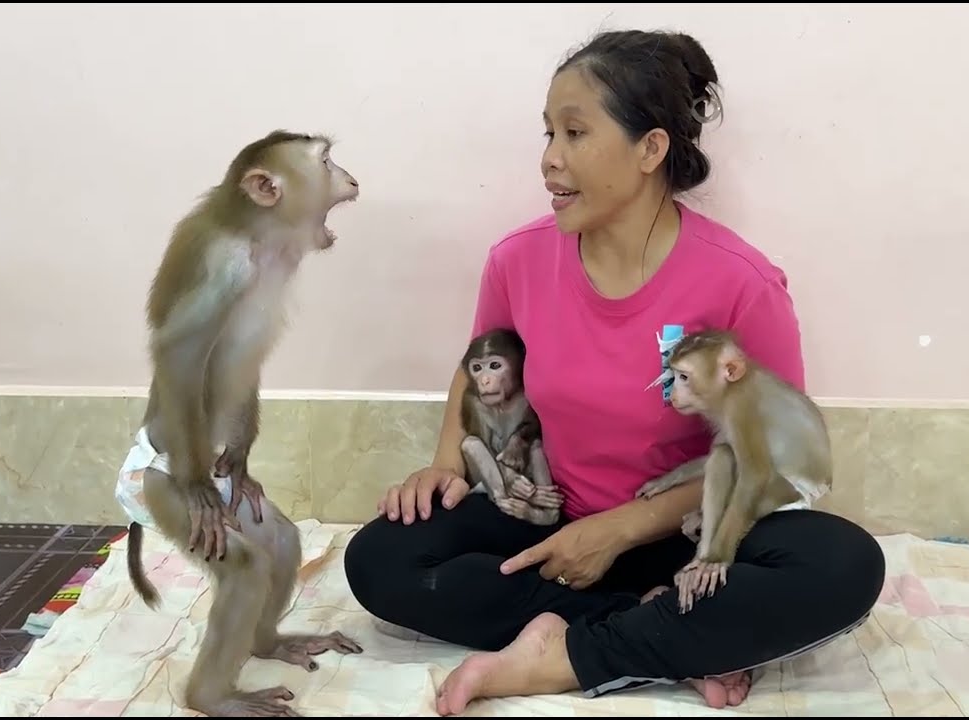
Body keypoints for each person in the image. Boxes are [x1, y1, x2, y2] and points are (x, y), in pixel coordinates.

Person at [342, 28, 886, 716]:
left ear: (650, 150)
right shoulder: (517, 260)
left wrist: (625, 528)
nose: (549, 161)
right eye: (546, 134)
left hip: (688, 538)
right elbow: (483, 368)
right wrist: (447, 463)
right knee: (380, 559)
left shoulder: (741, 285)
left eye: (574, 134)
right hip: (557, 527)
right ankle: (660, 632)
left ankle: (567, 653)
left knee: (843, 564)